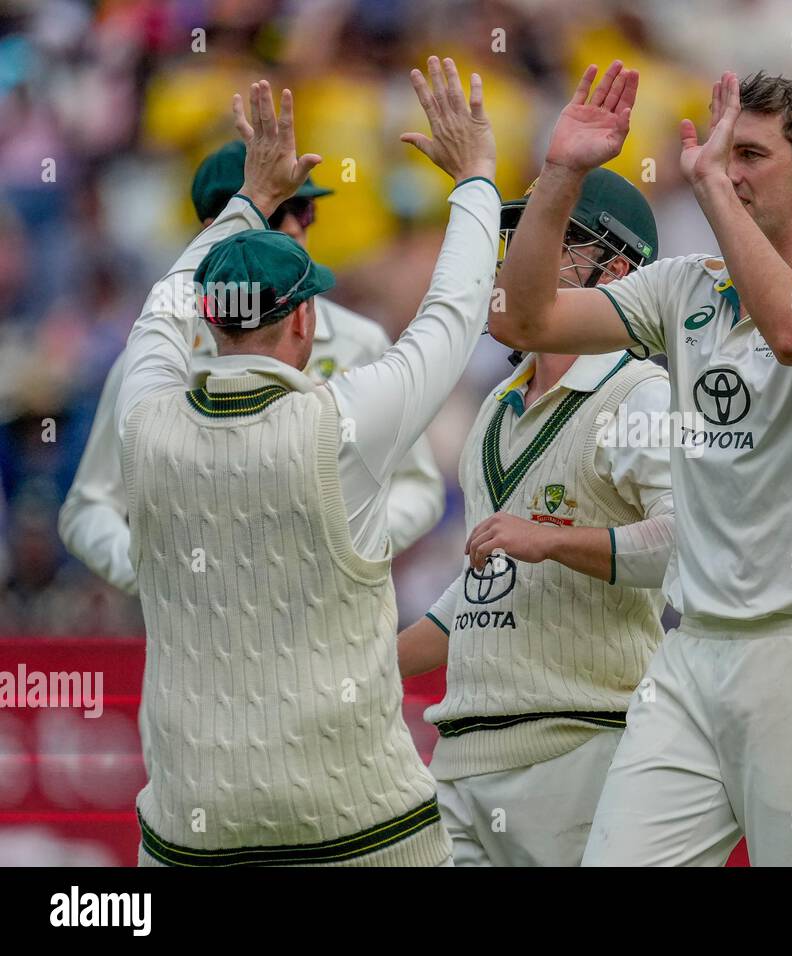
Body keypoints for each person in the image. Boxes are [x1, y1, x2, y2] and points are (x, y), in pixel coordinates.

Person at [492, 63, 792, 866]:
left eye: (751, 154)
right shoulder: (687, 287)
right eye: (724, 151)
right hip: (692, 654)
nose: (730, 166)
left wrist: (712, 187)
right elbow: (526, 319)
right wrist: (563, 174)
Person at [122, 59, 498, 867]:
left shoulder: (143, 418)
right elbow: (454, 314)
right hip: (360, 829)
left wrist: (247, 202)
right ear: (301, 327)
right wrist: (474, 180)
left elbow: (163, 301)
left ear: (208, 321)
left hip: (193, 833)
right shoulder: (343, 421)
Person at [397, 167, 674, 866]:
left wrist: (551, 542)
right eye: (513, 236)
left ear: (617, 268)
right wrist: (369, 667)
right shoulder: (495, 406)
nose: (516, 255)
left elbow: (686, 545)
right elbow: (488, 588)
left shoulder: (643, 393)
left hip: (581, 745)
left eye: (550, 239)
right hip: (462, 753)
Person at [60, 141, 444, 597]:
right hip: (199, 632)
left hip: (333, 617)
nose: (302, 229)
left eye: (308, 213)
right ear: (219, 229)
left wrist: (346, 551)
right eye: (288, 211)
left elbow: (419, 487)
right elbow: (88, 508)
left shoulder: (359, 340)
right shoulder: (155, 360)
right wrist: (162, 578)